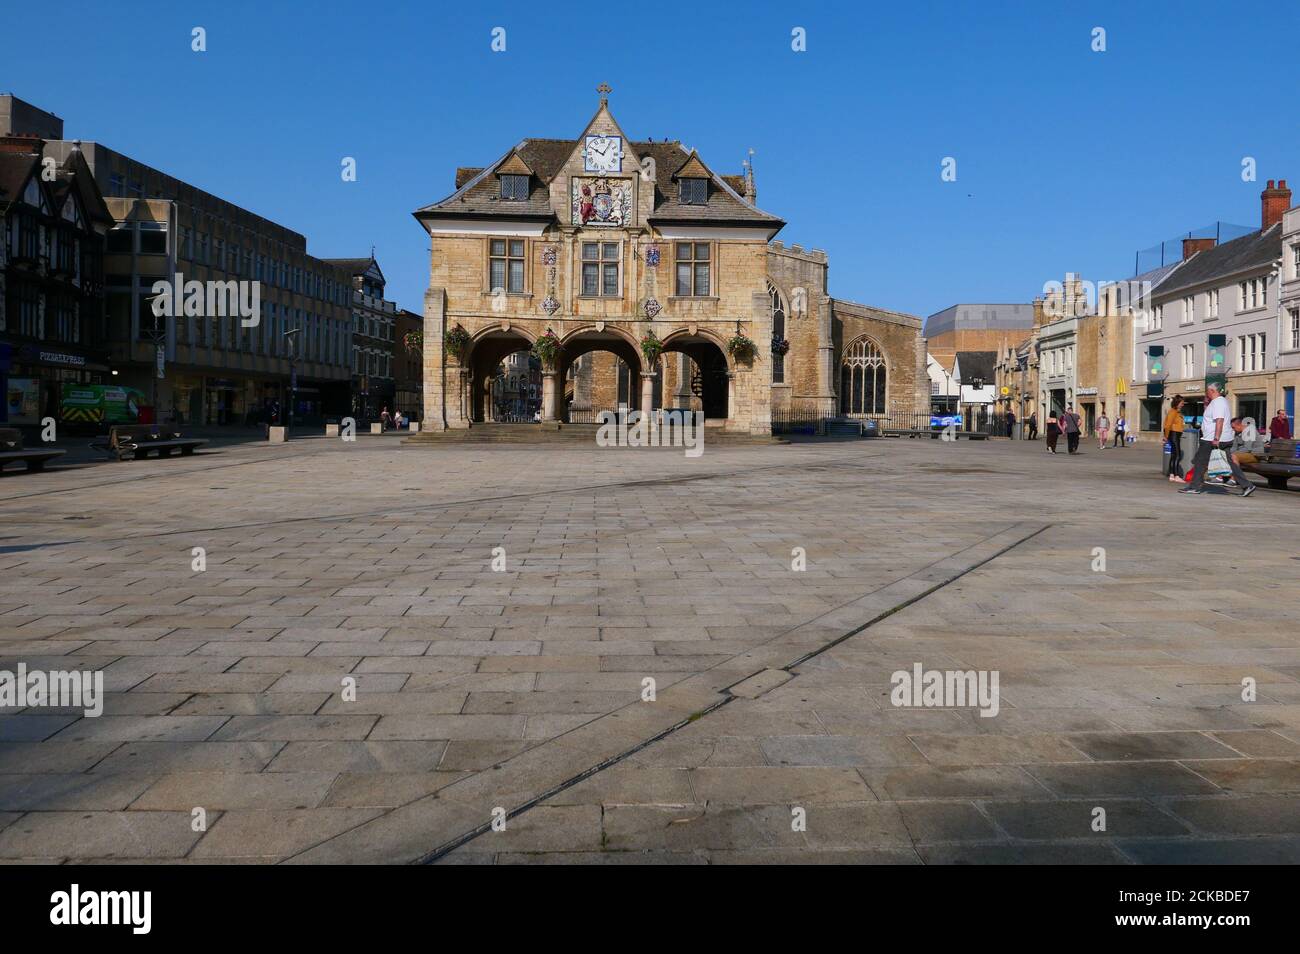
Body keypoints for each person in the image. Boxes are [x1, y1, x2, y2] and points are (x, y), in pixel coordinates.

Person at [1181, 383, 1251, 496]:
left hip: (1213, 438)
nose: (1206, 393)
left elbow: (1220, 420)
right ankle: (1247, 485)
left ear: (1213, 391)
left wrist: (1216, 438)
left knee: (1200, 461)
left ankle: (1194, 486)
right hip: (1223, 437)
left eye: (1207, 391)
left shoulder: (1218, 402)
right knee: (1230, 462)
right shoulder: (1220, 402)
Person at [1163, 395, 1186, 482]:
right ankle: (1176, 476)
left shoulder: (1177, 412)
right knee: (1178, 455)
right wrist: (1165, 436)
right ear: (1177, 403)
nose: (1182, 405)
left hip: (1175, 435)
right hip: (1174, 435)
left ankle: (1172, 475)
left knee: (1173, 455)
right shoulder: (1173, 412)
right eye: (1181, 403)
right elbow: (1167, 425)